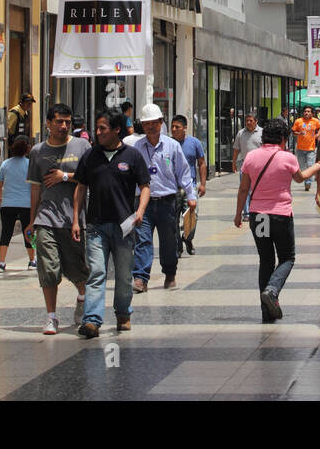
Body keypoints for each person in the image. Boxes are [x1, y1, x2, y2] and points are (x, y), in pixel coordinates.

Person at [235, 118, 320, 322]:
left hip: (258, 216)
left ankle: (266, 311)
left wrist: (239, 213)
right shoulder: (288, 157)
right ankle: (272, 291)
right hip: (281, 215)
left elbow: (243, 189)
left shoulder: (251, 157)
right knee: (287, 257)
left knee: (265, 260)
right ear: (284, 138)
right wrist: (318, 167)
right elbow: (300, 178)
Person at [73, 109, 150, 338]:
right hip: (96, 225)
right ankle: (92, 321)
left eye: (103, 129)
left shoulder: (132, 156)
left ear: (117, 130)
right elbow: (80, 187)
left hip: (124, 227)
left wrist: (140, 211)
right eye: (97, 128)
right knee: (96, 272)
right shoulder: (91, 156)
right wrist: (76, 219)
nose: (98, 133)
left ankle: (123, 313)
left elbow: (145, 186)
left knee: (125, 275)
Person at [26, 104, 91, 334]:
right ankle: (51, 317)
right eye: (59, 121)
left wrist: (65, 176)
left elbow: (90, 176)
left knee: (77, 270)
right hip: (46, 217)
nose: (63, 126)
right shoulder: (37, 152)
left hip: (74, 219)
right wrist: (32, 219)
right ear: (47, 124)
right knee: (49, 268)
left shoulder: (82, 146)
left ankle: (83, 298)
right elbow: (35, 188)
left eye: (67, 122)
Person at [128, 104, 197, 292]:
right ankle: (140, 278)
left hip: (167, 201)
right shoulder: (136, 148)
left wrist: (191, 196)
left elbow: (183, 172)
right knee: (142, 240)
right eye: (146, 123)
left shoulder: (172, 146)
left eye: (154, 123)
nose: (150, 127)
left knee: (168, 240)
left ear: (161, 123)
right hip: (143, 203)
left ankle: (170, 273)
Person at [0, 135, 35, 272]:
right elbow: (34, 186)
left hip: (8, 204)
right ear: (27, 149)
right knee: (29, 232)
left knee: (5, 232)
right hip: (26, 204)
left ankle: (1, 262)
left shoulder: (5, 164)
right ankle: (32, 261)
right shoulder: (30, 165)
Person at [169, 114, 207, 255]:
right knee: (173, 218)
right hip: (172, 188)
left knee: (192, 215)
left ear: (185, 128)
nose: (173, 129)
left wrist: (202, 184)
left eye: (177, 127)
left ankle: (188, 238)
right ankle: (178, 245)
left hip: (190, 186)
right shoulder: (167, 143)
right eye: (172, 126)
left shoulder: (195, 143)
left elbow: (202, 163)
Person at [292, 106, 320, 191]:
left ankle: (308, 183)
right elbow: (293, 132)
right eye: (305, 111)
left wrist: (318, 134)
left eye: (309, 111)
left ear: (312, 113)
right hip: (300, 148)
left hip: (311, 149)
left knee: (310, 166)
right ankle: (306, 180)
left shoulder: (315, 121)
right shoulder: (298, 121)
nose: (307, 113)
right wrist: (299, 133)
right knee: (302, 167)